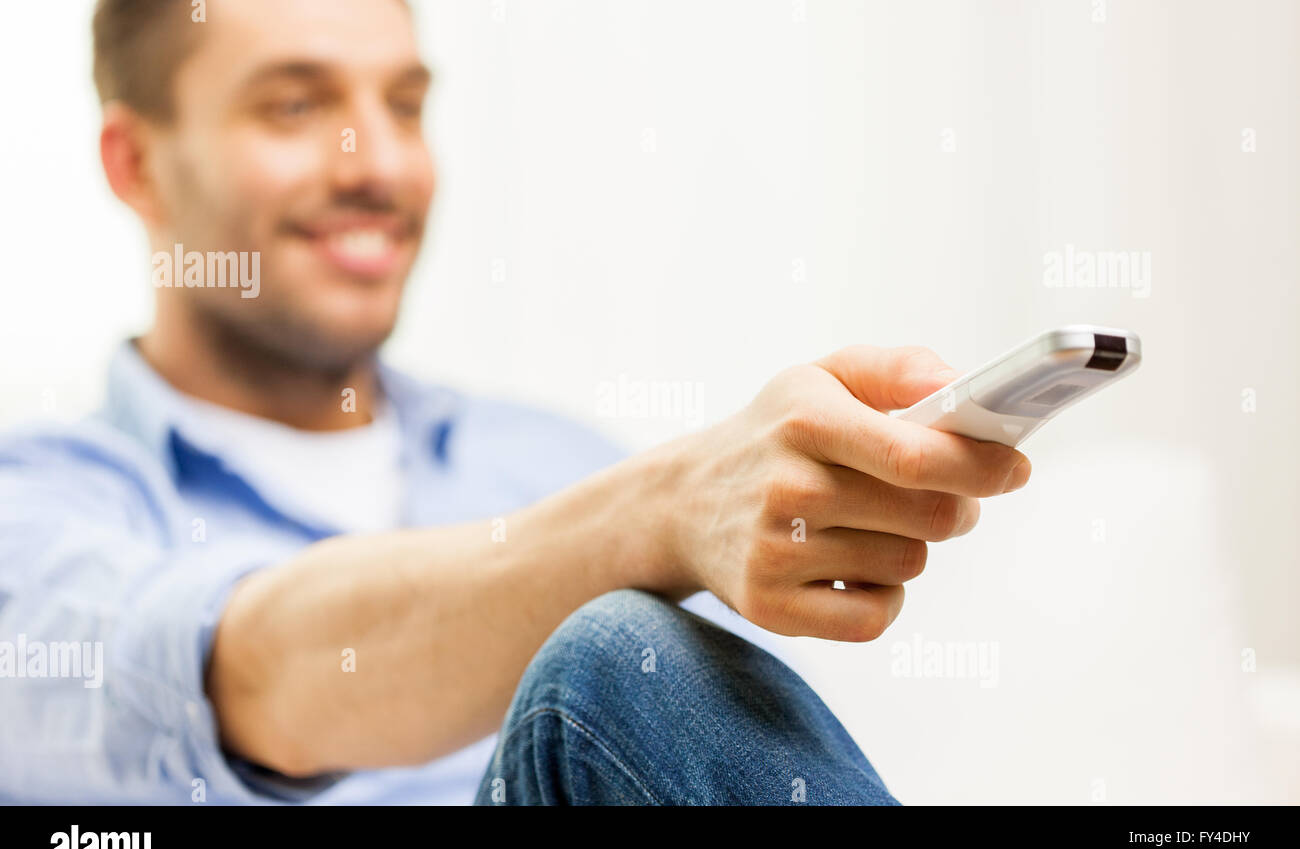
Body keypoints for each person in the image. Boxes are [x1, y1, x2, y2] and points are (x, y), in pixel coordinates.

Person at [0, 0, 1030, 806]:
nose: (384, 165)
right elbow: (249, 672)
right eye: (296, 105)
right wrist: (654, 516)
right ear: (135, 162)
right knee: (612, 656)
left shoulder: (551, 462)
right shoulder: (40, 517)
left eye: (403, 105)